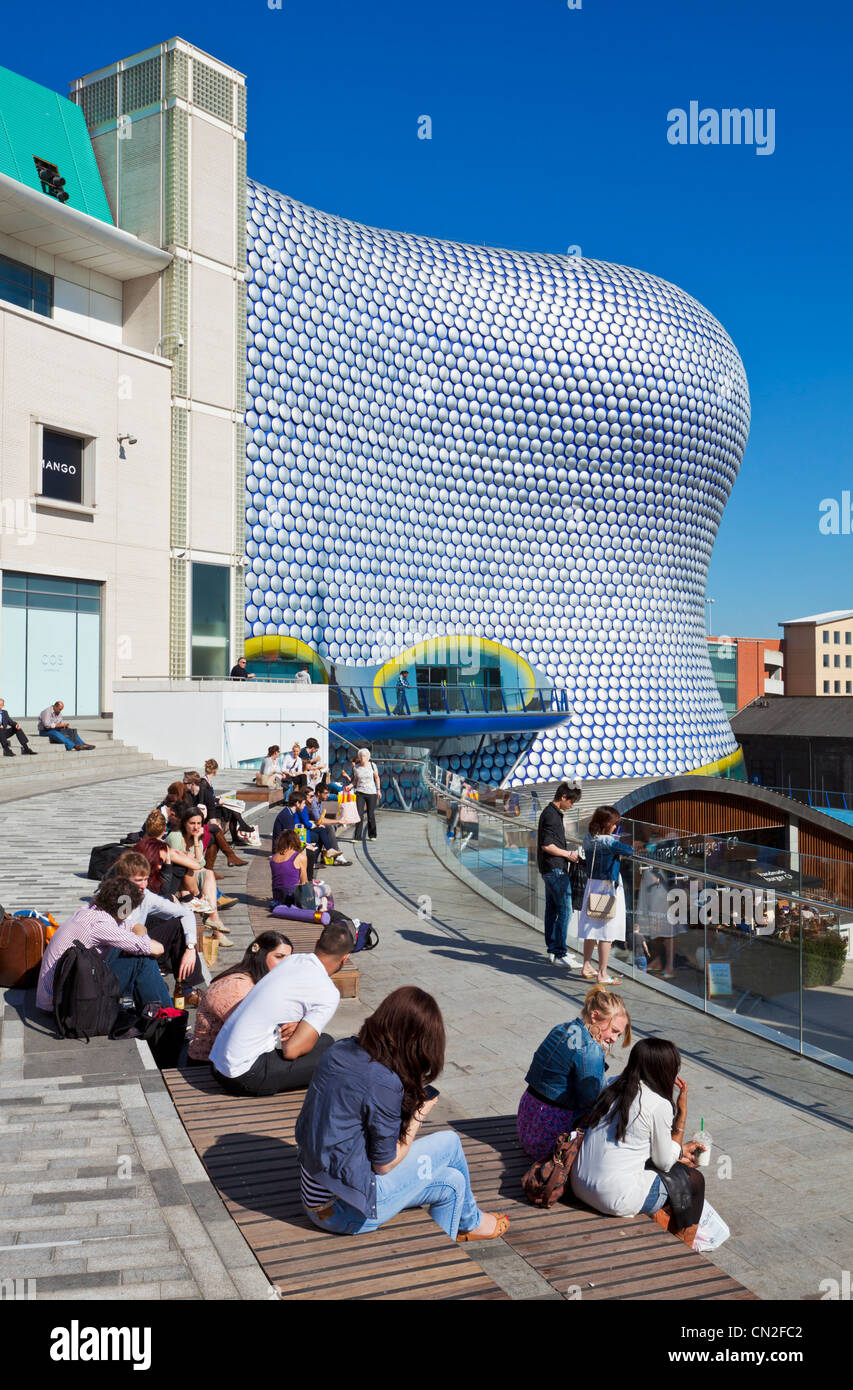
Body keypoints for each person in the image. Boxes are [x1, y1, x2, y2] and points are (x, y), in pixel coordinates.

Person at [295, 986, 509, 1242]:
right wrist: (419, 1115)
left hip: (316, 1192)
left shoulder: (341, 1050)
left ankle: (442, 1252)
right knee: (450, 1144)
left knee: (453, 1183)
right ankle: (472, 1222)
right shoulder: (383, 1081)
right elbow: (384, 1164)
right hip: (344, 1211)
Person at [569, 1038, 707, 1224]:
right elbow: (664, 1163)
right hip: (612, 1198)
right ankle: (686, 1241)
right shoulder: (659, 1104)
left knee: (669, 1168)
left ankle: (672, 1225)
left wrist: (679, 1150)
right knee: (694, 1180)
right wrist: (681, 1115)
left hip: (579, 1184)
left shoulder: (611, 1085)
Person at [209, 920, 352, 1095]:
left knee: (326, 1040)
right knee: (334, 1056)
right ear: (345, 958)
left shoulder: (292, 960)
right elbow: (291, 1051)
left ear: (316, 944)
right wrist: (299, 1031)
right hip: (244, 1076)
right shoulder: (328, 992)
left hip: (218, 1065)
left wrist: (298, 1026)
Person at [517, 986, 631, 1161]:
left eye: (619, 1034)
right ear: (594, 1016)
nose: (614, 1039)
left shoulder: (562, 1028)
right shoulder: (591, 1049)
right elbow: (592, 1103)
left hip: (528, 1121)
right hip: (550, 1137)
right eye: (614, 1030)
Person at [36, 877, 171, 1014]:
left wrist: (137, 940)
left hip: (55, 995)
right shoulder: (101, 926)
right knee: (143, 961)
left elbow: (134, 926)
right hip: (64, 1004)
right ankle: (168, 1017)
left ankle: (152, 1001)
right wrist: (140, 944)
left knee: (128, 949)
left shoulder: (88, 910)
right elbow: (158, 949)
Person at [109, 850, 206, 1002]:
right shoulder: (111, 896)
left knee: (178, 924)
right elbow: (120, 934)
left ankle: (185, 990)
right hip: (115, 955)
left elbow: (185, 913)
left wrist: (191, 948)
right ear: (122, 879)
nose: (143, 885)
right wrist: (144, 940)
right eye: (138, 880)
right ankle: (143, 990)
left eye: (146, 879)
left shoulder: (144, 895)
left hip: (138, 944)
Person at [188, 931, 292, 1063]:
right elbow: (251, 1031)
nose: (285, 964)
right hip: (210, 1064)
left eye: (288, 959)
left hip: (237, 1057)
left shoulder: (259, 980)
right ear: (260, 954)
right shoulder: (235, 987)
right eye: (279, 956)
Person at [577, 805, 634, 984]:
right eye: (615, 824)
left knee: (590, 928)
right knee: (606, 932)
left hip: (592, 885)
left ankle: (586, 965)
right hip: (608, 888)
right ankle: (602, 973)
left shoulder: (588, 839)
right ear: (607, 824)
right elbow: (629, 851)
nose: (616, 827)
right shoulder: (609, 842)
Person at [537, 783, 582, 967]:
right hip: (555, 869)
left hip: (550, 868)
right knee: (564, 910)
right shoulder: (551, 816)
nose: (572, 805)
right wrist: (568, 855)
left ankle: (553, 949)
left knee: (552, 910)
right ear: (563, 797)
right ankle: (559, 952)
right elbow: (547, 845)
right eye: (571, 801)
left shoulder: (550, 813)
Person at [270, 828, 309, 907]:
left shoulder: (273, 858)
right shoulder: (300, 856)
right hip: (291, 897)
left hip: (277, 898)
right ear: (294, 841)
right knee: (325, 889)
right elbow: (304, 883)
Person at [351, 747, 381, 842]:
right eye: (360, 756)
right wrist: (350, 786)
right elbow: (355, 780)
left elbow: (376, 778)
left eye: (364, 756)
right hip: (360, 792)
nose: (362, 757)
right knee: (359, 814)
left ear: (368, 757)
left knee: (370, 814)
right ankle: (357, 837)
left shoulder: (373, 765)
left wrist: (378, 790)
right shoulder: (356, 767)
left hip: (371, 792)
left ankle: (372, 835)